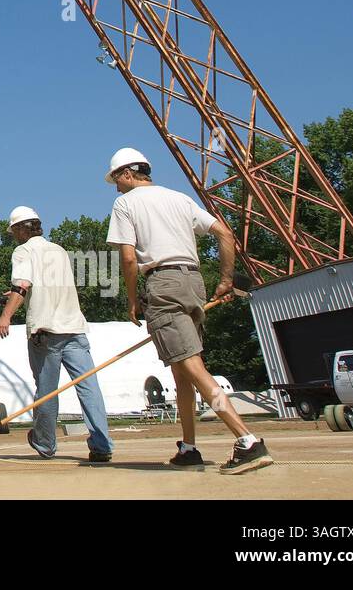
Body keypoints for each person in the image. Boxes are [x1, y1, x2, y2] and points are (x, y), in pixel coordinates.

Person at [103, 147, 273, 475]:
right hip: (194, 282)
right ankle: (189, 447)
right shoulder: (179, 198)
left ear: (126, 173)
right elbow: (224, 233)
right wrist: (224, 279)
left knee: (192, 367)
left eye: (116, 180)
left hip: (163, 284)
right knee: (182, 372)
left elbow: (127, 258)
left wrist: (133, 300)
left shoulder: (125, 203)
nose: (116, 187)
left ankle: (247, 440)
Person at [0, 205, 113, 463]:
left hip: (45, 332)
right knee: (89, 388)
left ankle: (45, 443)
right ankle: (102, 445)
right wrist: (18, 296)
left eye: (13, 231)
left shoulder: (23, 251)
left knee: (47, 392)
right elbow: (45, 285)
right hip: (74, 328)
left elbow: (23, 285)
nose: (13, 236)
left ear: (19, 229)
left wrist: (6, 316)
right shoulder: (58, 250)